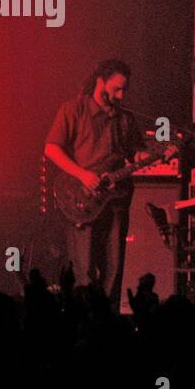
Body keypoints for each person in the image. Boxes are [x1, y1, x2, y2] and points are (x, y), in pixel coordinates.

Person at [44, 58, 161, 310]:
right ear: (100, 82)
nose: (120, 95)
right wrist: (83, 175)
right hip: (82, 198)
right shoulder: (73, 109)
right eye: (116, 88)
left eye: (124, 90)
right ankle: (83, 325)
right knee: (84, 270)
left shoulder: (125, 119)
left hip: (116, 201)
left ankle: (108, 326)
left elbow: (136, 153)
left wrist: (148, 155)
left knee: (113, 269)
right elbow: (51, 148)